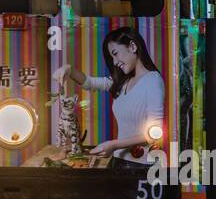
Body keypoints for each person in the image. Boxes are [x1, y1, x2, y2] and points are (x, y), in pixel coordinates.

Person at [54, 27, 164, 157]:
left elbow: (155, 132)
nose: (115, 62)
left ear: (133, 47)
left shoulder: (153, 80)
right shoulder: (123, 81)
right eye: (112, 57)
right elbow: (90, 83)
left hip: (143, 165)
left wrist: (114, 144)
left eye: (115, 54)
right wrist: (69, 69)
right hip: (118, 160)